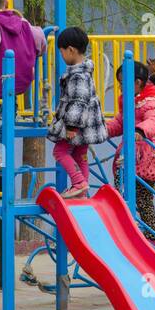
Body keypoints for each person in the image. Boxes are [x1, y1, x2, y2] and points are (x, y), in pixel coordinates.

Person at [105, 61, 155, 239]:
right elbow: (119, 123)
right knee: (121, 193)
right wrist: (103, 130)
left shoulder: (149, 101)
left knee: (142, 197)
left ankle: (151, 236)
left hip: (146, 156)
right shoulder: (129, 101)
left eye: (122, 83)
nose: (120, 87)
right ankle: (126, 231)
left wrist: (141, 130)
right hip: (130, 154)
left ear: (138, 83)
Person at [46, 28, 106, 198]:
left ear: (71, 50)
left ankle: (79, 182)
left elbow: (78, 101)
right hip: (86, 124)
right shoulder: (85, 72)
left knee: (60, 152)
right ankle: (82, 189)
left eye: (62, 51)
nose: (62, 55)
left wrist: (71, 125)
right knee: (80, 154)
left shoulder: (77, 75)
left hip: (77, 124)